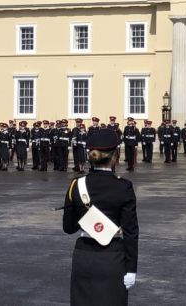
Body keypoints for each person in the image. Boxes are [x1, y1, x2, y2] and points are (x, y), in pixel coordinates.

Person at [62, 128, 138, 306]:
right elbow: (131, 232)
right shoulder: (124, 187)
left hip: (84, 256)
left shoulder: (76, 185)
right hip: (113, 257)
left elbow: (68, 228)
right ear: (115, 156)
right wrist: (131, 268)